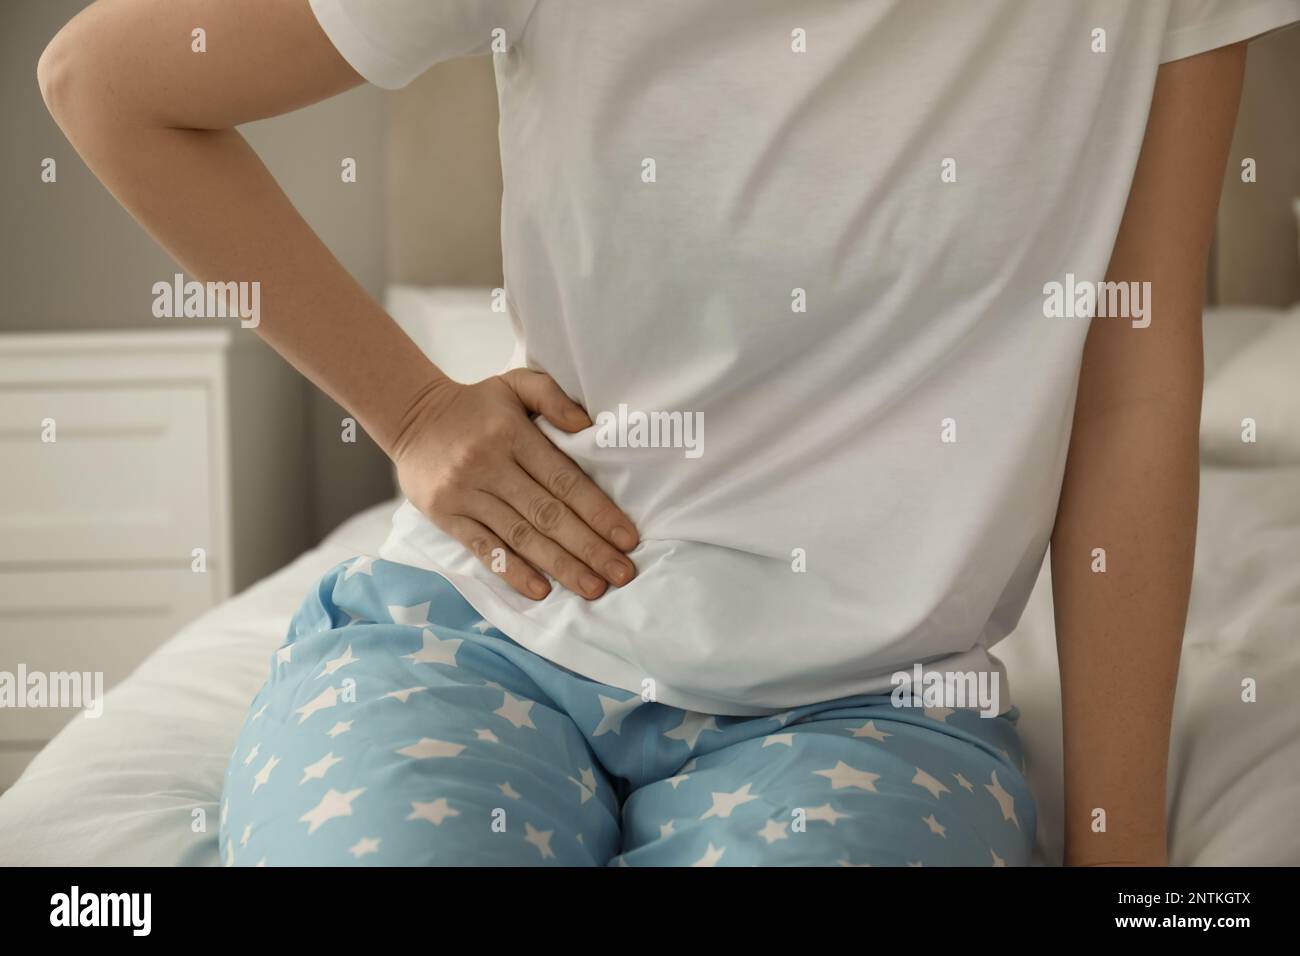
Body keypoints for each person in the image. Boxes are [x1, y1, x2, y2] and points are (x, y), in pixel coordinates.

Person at [37, 0, 1300, 866]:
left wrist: (1121, 857)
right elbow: (103, 81)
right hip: (478, 636)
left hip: (870, 706)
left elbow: (1131, 378)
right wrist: (415, 409)